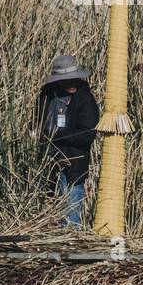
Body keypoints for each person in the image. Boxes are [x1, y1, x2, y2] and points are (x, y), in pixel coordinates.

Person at [36, 54, 100, 227]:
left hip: (73, 168)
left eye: (74, 79)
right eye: (66, 80)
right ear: (57, 81)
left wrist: (55, 136)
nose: (72, 83)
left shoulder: (85, 99)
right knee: (51, 218)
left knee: (71, 221)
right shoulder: (45, 97)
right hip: (49, 166)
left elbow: (88, 134)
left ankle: (70, 247)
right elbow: (39, 127)